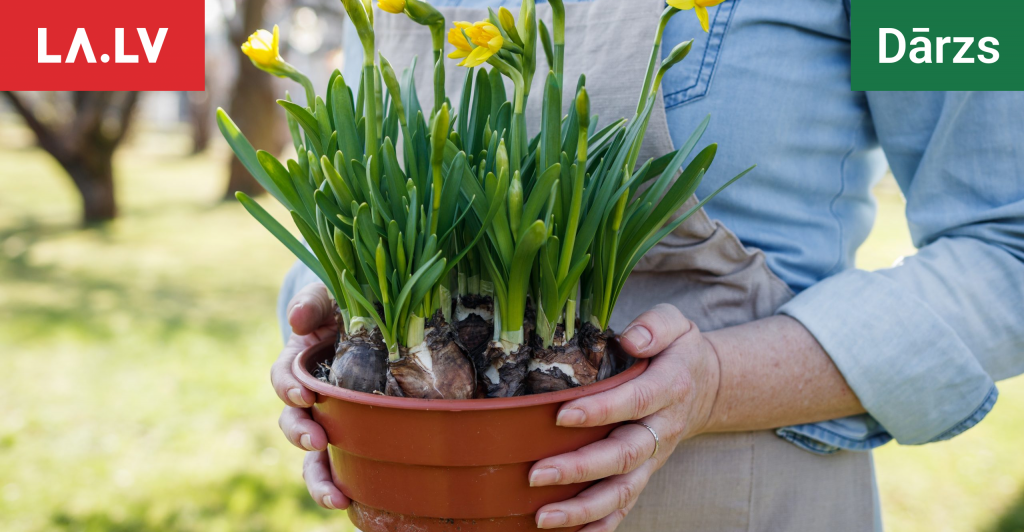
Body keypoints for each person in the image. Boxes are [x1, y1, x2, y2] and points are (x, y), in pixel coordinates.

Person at [270, 0, 1024, 530]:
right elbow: (376, 175)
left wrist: (717, 384)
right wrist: (346, 308)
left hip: (737, 506)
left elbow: (1007, 248)